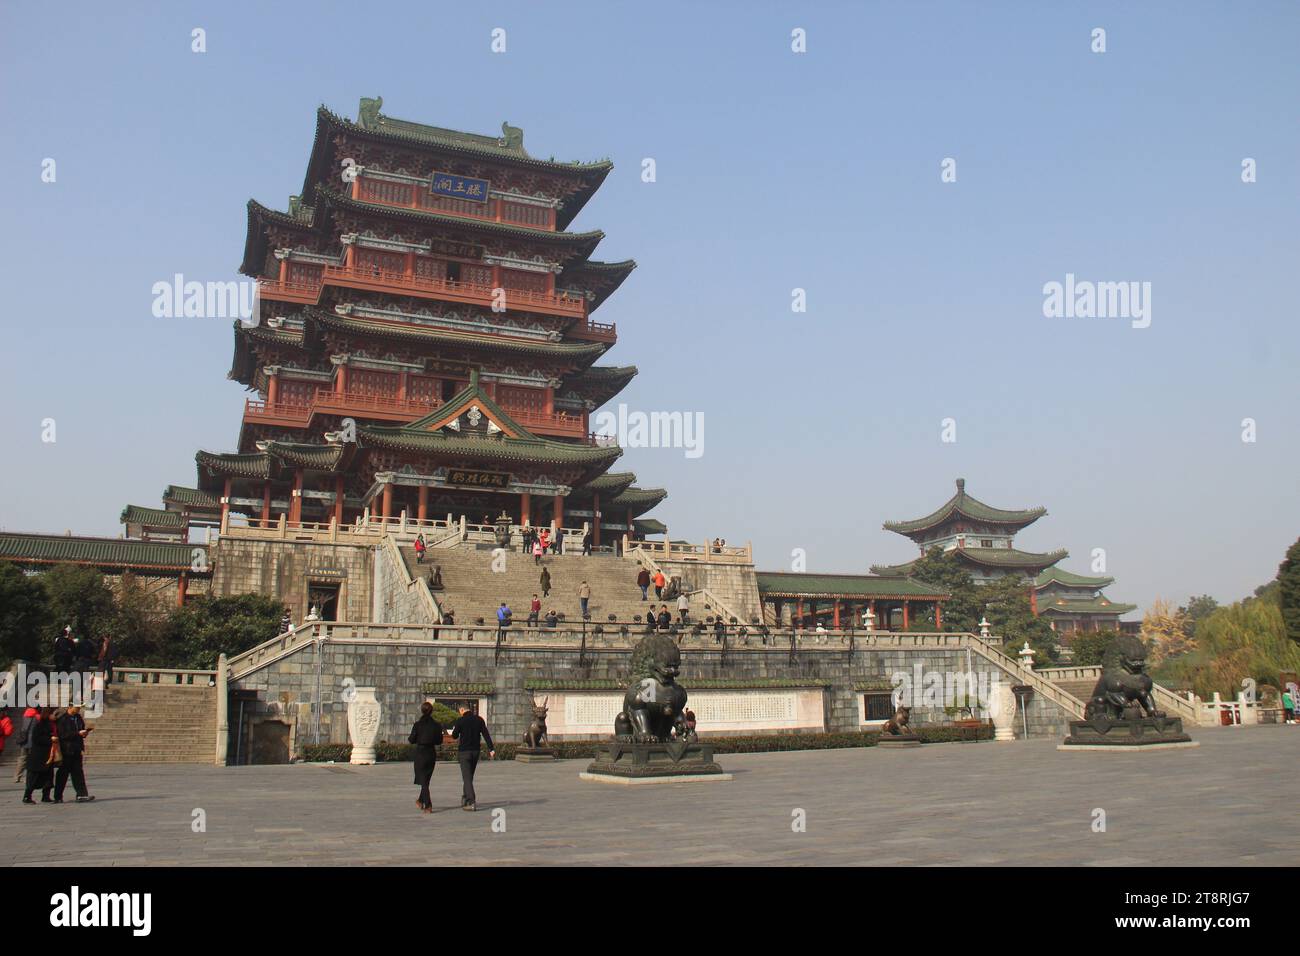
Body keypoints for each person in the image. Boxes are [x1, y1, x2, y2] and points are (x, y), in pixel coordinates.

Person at [450, 704, 495, 811]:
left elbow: (455, 735)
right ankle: (465, 798)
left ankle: (471, 801)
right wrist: (491, 748)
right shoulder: (479, 720)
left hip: (464, 752)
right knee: (469, 776)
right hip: (475, 751)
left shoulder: (460, 721)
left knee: (466, 777)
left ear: (462, 710)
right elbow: (486, 734)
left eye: (459, 711)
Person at [408, 702, 444, 813]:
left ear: (422, 711)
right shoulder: (437, 725)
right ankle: (420, 800)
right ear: (432, 711)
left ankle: (428, 804)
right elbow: (439, 741)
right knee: (426, 780)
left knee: (423, 780)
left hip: (421, 753)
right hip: (431, 753)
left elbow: (411, 739)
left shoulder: (418, 725)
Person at [54, 706, 93, 803]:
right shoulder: (62, 719)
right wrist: (77, 733)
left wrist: (84, 733)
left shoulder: (78, 717)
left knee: (78, 773)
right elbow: (62, 735)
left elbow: (81, 729)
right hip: (66, 749)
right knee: (63, 774)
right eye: (77, 707)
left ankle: (82, 794)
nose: (78, 709)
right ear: (70, 707)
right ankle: (58, 796)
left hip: (76, 748)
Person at [22, 708, 56, 804]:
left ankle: (46, 796)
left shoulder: (51, 724)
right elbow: (36, 739)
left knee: (48, 777)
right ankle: (27, 796)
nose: (54, 716)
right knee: (34, 778)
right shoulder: (40, 725)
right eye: (52, 714)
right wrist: (50, 739)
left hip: (48, 755)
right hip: (38, 756)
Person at [12, 706, 38, 784]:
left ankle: (17, 776)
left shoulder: (25, 715)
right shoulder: (37, 717)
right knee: (31, 759)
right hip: (33, 741)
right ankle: (27, 778)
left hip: (24, 740)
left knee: (22, 758)